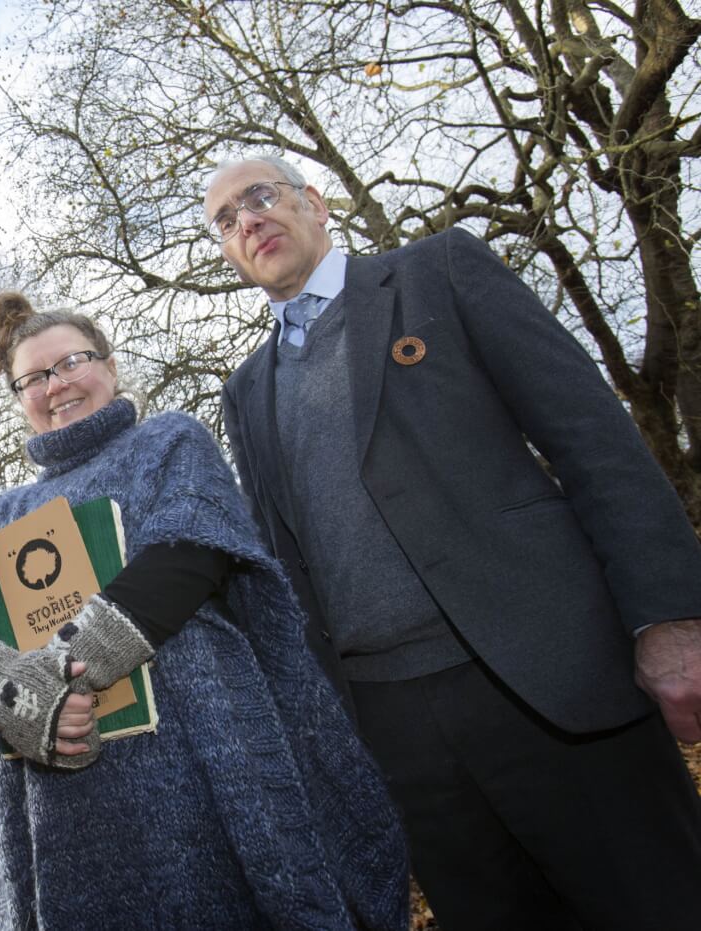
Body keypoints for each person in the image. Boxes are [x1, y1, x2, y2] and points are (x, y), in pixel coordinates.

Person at [208, 153, 701, 930]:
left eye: (261, 196)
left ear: (316, 204)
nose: (249, 220)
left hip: (551, 682)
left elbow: (592, 438)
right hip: (400, 741)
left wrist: (668, 616)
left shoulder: (437, 272)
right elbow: (285, 572)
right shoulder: (245, 393)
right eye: (226, 220)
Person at [0, 292, 408, 930]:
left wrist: (57, 671)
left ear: (109, 366)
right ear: (20, 399)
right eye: (34, 378)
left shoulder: (170, 442)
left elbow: (189, 552)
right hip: (64, 813)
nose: (56, 384)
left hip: (200, 767)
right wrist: (13, 691)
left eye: (71, 362)